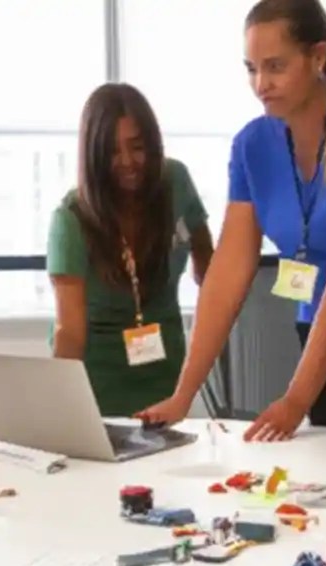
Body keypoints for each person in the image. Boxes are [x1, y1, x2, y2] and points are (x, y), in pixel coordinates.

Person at [138, 0, 326, 440]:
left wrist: (295, 402)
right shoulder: (251, 145)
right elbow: (227, 273)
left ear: (318, 57)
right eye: (251, 69)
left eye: (275, 67)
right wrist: (183, 396)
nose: (261, 84)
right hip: (323, 322)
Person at [47, 83, 214, 416]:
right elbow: (70, 330)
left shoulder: (175, 181)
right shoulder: (70, 219)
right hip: (99, 385)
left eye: (137, 147)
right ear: (93, 155)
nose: (127, 162)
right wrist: (61, 410)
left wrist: (211, 335)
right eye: (112, 151)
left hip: (168, 376)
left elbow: (208, 265)